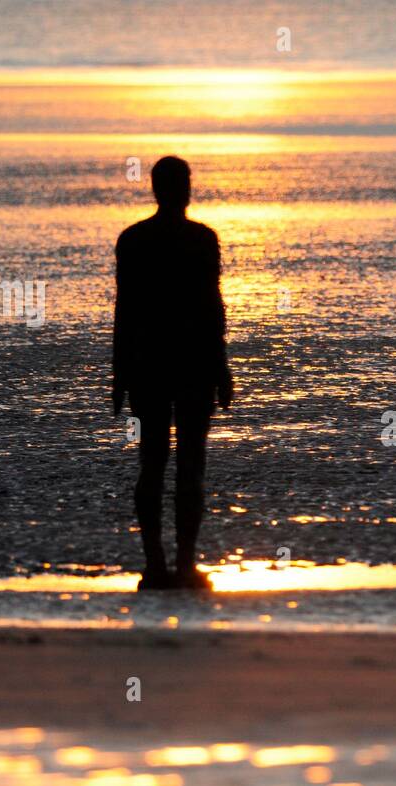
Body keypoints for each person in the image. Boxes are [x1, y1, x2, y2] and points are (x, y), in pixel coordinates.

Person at [113, 156, 234, 590]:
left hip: (152, 365)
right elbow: (211, 307)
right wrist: (220, 365)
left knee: (157, 464)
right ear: (179, 189)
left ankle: (161, 563)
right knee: (185, 465)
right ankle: (178, 564)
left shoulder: (135, 239)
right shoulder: (200, 239)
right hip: (189, 364)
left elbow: (124, 313)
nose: (186, 189)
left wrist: (120, 374)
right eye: (184, 183)